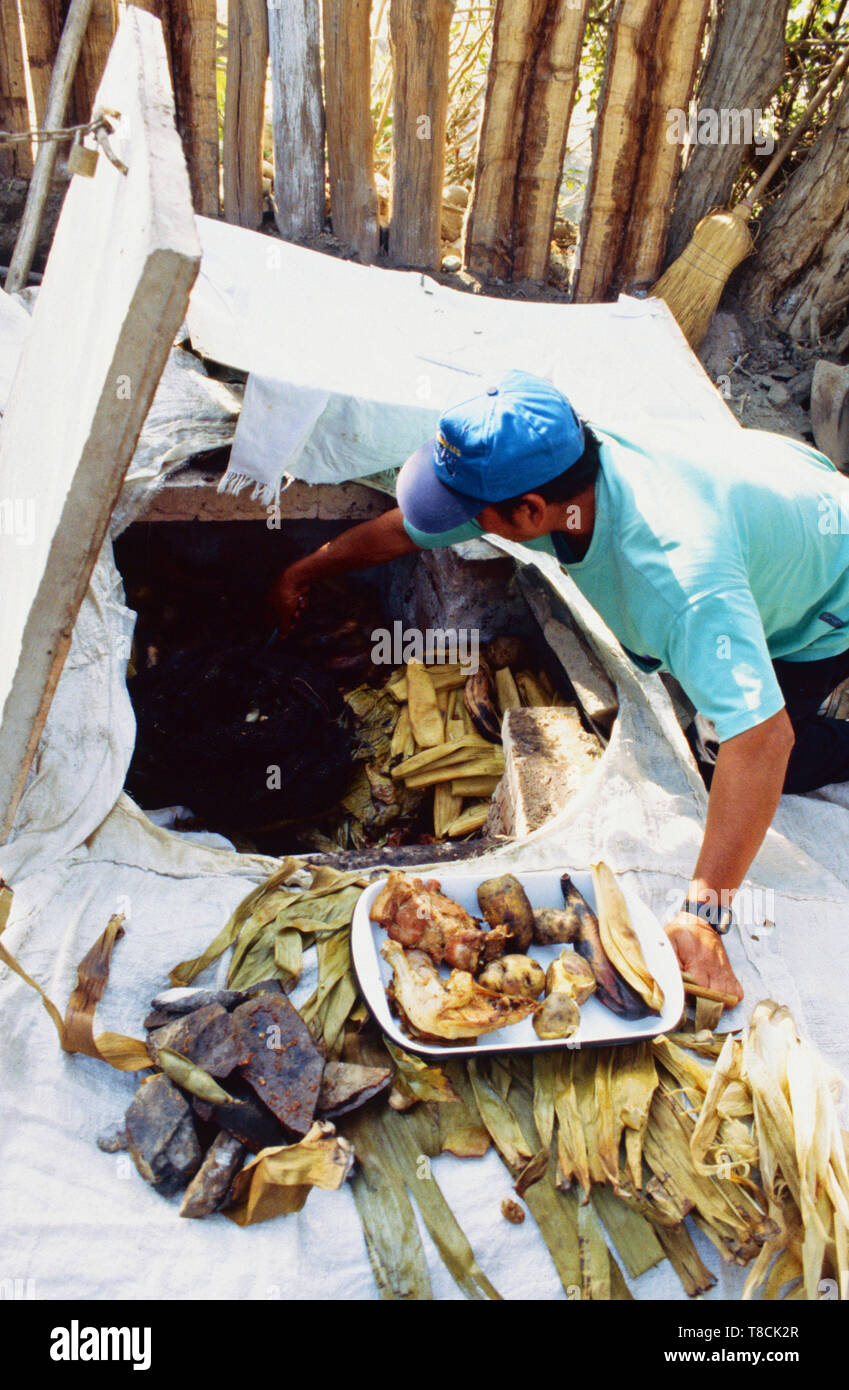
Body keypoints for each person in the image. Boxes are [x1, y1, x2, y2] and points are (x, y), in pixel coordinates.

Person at [270, 369, 849, 1004]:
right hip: (778, 494)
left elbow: (763, 740)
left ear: (528, 514)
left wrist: (704, 915)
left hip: (828, 584)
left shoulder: (679, 582)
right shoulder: (559, 470)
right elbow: (408, 528)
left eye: (468, 512)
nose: (459, 523)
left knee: (725, 761)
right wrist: (307, 568)